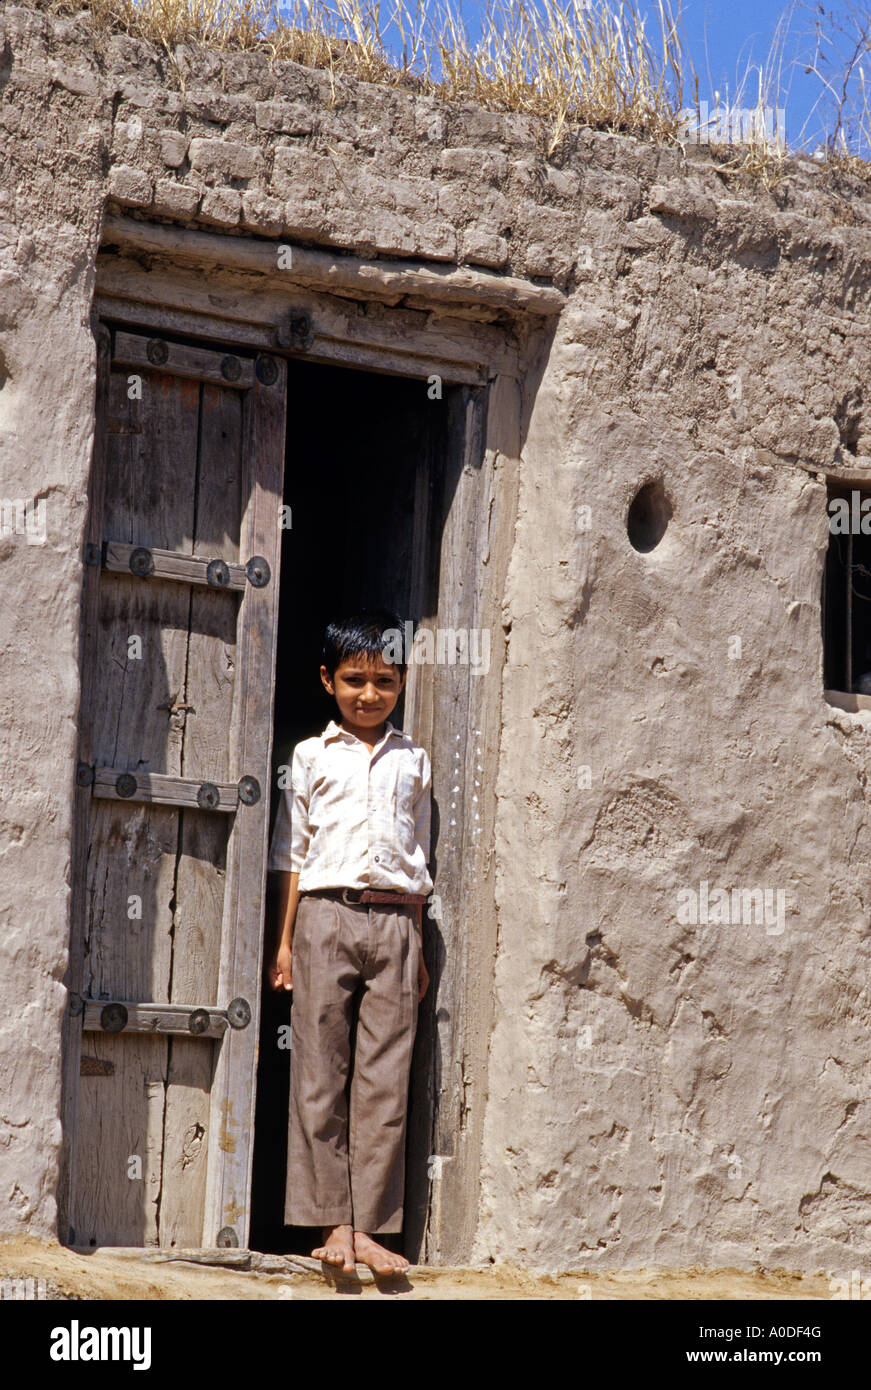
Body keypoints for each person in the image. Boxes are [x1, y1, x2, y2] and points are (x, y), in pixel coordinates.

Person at [268, 609, 433, 1276]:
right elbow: (292, 852)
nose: (369, 694)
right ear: (327, 680)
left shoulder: (412, 760)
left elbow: (418, 852)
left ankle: (371, 1227)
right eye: (354, 679)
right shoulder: (310, 756)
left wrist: (417, 942)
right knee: (318, 1074)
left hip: (396, 923)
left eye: (384, 681)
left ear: (401, 683)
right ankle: (331, 1221)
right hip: (323, 919)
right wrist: (283, 943)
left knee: (384, 1083)